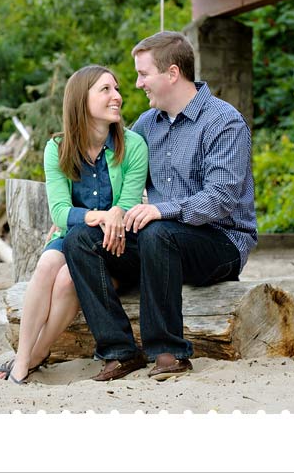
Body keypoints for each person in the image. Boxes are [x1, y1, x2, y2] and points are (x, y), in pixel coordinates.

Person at [63, 31, 258, 382]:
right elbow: (118, 183)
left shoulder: (223, 121)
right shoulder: (145, 126)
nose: (136, 85)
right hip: (160, 240)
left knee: (157, 231)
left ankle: (169, 352)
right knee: (80, 238)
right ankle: (120, 352)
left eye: (143, 74)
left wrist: (159, 210)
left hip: (220, 242)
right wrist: (112, 217)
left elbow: (222, 199)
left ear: (171, 74)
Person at [0, 65, 148, 384]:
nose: (117, 96)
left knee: (66, 280)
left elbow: (129, 205)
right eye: (106, 90)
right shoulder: (58, 148)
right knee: (48, 262)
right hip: (76, 235)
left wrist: (113, 215)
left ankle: (35, 355)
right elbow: (60, 212)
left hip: (116, 244)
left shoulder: (133, 145)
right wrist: (100, 215)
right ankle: (24, 357)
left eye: (117, 89)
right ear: (81, 99)